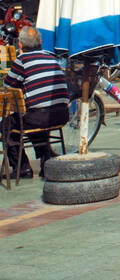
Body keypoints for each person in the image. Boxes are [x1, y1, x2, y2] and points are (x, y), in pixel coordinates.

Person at [3, 27, 71, 179]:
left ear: (20, 45)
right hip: (62, 115)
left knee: (7, 124)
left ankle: (22, 167)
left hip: (40, 117)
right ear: (41, 41)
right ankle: (46, 160)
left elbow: (8, 84)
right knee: (33, 116)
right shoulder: (52, 58)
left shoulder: (22, 60)